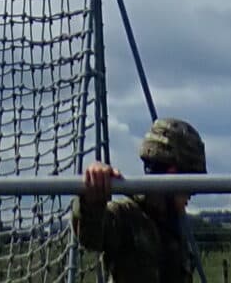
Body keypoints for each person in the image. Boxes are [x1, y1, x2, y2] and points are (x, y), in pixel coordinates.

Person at [71, 115, 204, 282]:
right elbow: (90, 236)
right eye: (190, 185)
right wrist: (92, 196)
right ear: (172, 175)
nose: (192, 194)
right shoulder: (126, 216)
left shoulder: (174, 225)